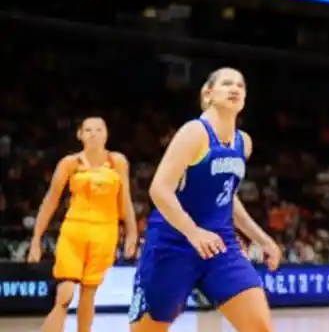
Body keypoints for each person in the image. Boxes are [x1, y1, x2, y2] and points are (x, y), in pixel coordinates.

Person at [129, 68, 282, 332]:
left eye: (240, 85)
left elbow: (228, 199)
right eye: (226, 84)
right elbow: (159, 189)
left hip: (221, 246)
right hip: (173, 244)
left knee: (260, 327)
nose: (235, 88)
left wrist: (262, 238)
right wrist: (193, 232)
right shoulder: (195, 132)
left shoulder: (242, 143)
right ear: (209, 93)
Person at [28, 116, 138, 332]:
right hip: (74, 231)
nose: (94, 133)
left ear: (106, 134)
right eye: (88, 130)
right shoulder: (69, 163)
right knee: (65, 294)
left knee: (89, 293)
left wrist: (132, 233)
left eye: (99, 129)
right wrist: (36, 239)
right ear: (80, 135)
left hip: (105, 232)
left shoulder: (118, 162)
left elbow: (125, 199)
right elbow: (50, 201)